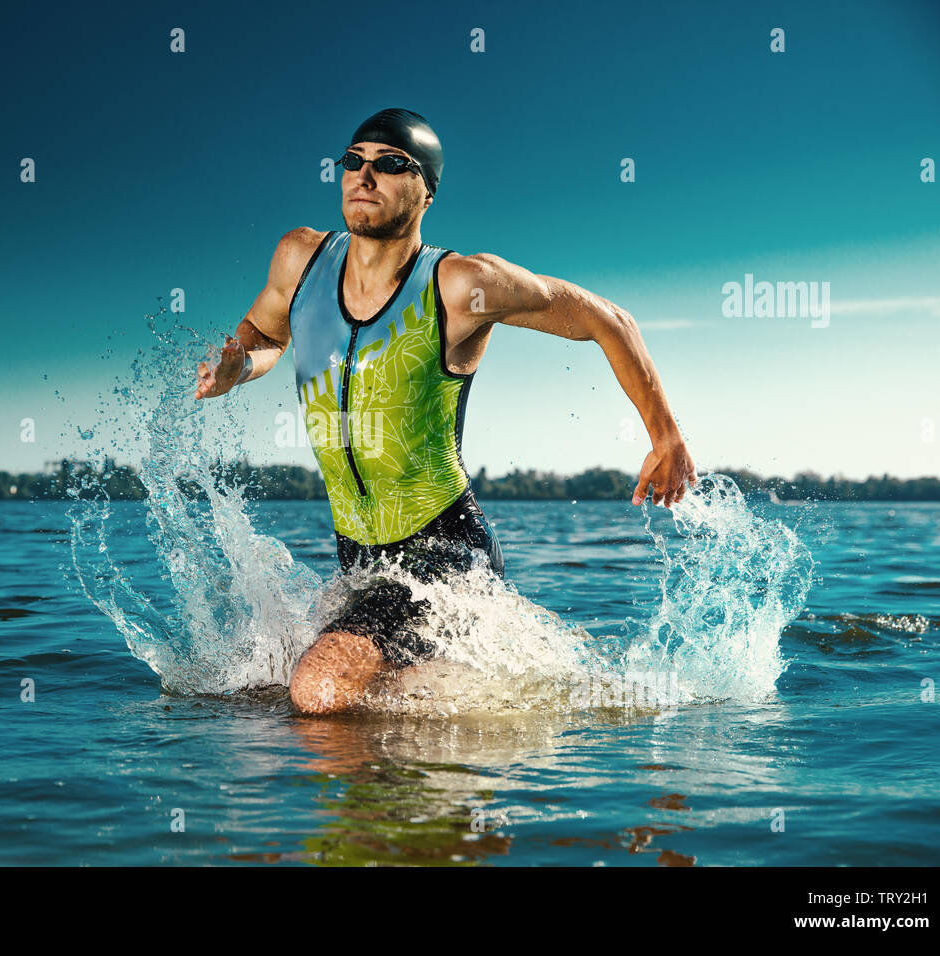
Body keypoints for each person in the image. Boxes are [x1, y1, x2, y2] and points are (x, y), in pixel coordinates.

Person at [195, 107, 697, 715]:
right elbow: (265, 333)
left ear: (426, 190)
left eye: (390, 165)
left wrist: (664, 435)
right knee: (271, 691)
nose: (364, 175)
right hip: (358, 553)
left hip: (443, 546)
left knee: (316, 689)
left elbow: (608, 319)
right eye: (352, 161)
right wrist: (238, 368)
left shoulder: (459, 286)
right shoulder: (300, 259)